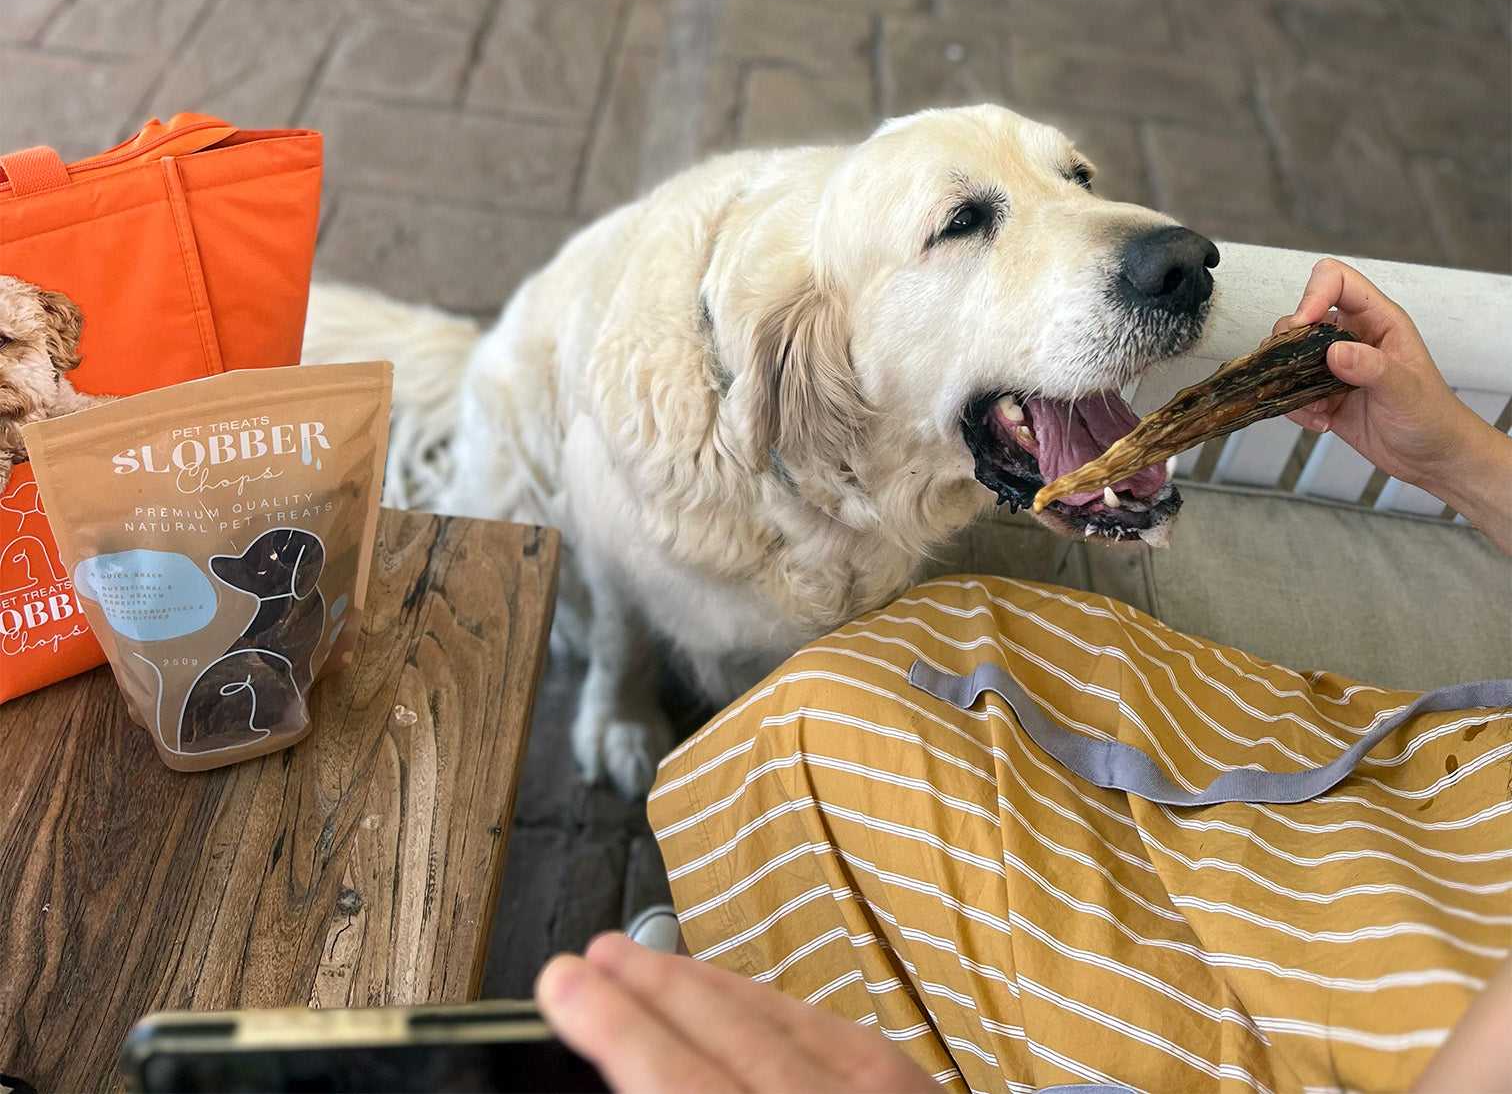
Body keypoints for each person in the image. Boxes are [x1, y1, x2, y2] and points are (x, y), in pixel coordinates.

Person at [538, 260, 1512, 1093]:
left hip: (1367, 1013)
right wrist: (1464, 459)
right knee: (847, 701)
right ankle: (725, 928)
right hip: (1429, 809)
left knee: (835, 731)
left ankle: (718, 951)